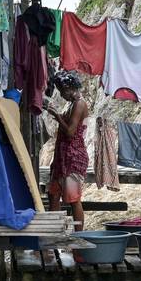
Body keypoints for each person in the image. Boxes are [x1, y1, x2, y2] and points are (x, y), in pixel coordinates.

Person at [45, 70, 90, 228]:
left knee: (73, 199)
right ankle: (54, 233)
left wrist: (57, 116)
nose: (62, 94)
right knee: (53, 194)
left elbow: (71, 132)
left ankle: (78, 238)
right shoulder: (71, 104)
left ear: (71, 88)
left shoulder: (79, 104)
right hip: (63, 157)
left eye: (63, 90)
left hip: (74, 157)